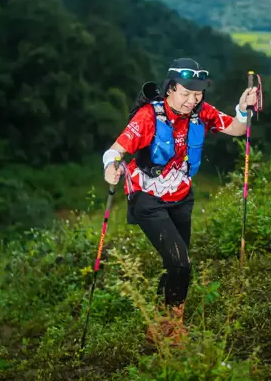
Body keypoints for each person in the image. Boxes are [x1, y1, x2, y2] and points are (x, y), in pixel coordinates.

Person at [102, 57, 258, 346]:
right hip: (148, 199)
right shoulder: (149, 116)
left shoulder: (201, 112)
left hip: (181, 197)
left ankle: (161, 329)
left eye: (197, 94)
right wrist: (111, 167)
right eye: (185, 93)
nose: (191, 100)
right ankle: (172, 330)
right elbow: (114, 151)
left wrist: (242, 107)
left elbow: (236, 129)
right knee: (181, 264)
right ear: (170, 88)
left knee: (175, 264)